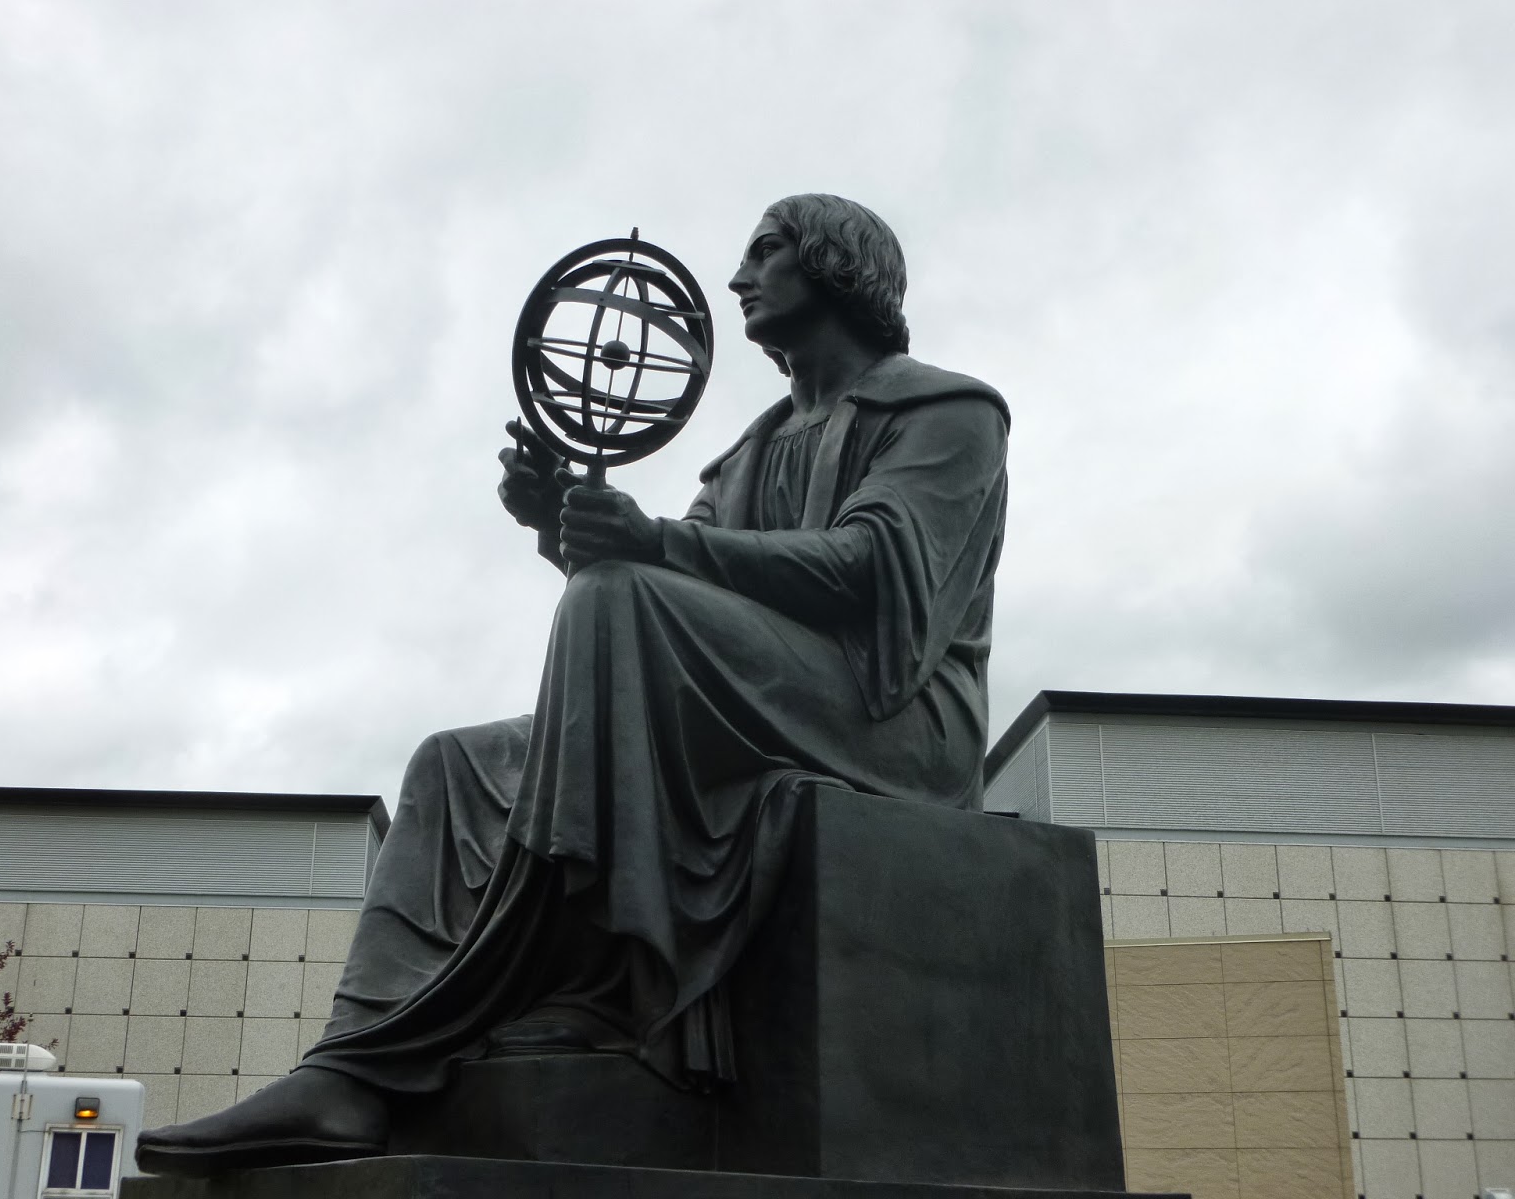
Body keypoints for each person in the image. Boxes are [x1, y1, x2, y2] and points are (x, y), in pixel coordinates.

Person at [136, 194, 1010, 1176]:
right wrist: (562, 524)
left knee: (619, 596)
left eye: (766, 251)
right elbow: (659, 600)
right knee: (457, 765)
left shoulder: (946, 411)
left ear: (838, 266)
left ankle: (595, 991)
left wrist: (647, 545)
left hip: (892, 718)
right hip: (765, 706)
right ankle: (350, 1071)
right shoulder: (746, 454)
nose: (738, 278)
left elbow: (871, 571)